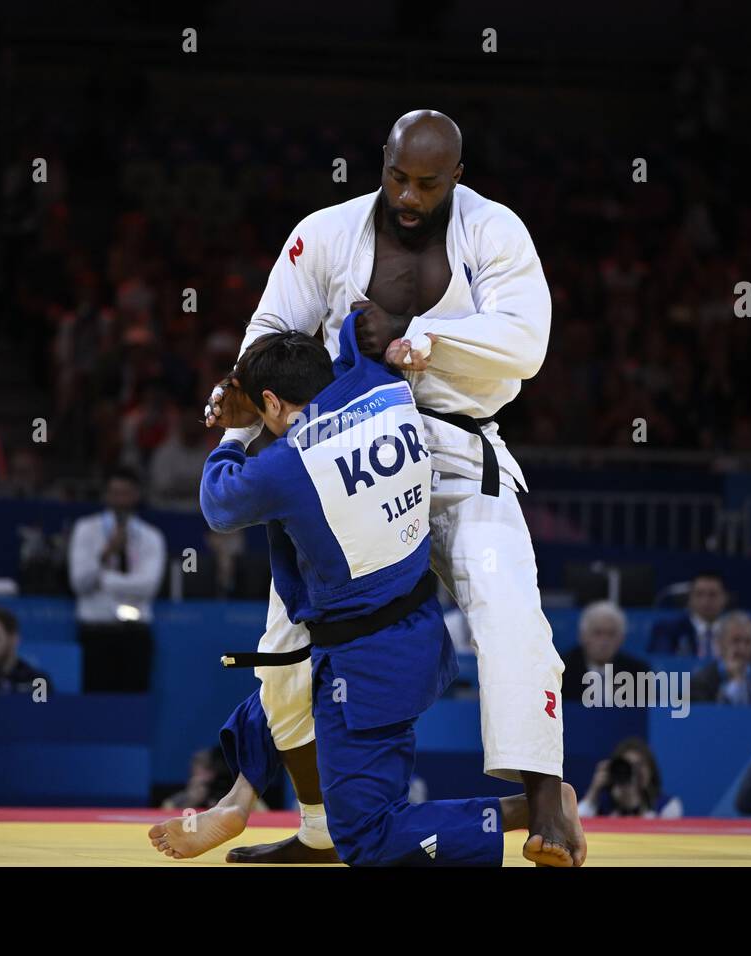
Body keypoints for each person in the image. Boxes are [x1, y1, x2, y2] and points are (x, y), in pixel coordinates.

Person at [202, 109, 575, 861]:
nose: (409, 195)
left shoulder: (495, 233)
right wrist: (239, 416)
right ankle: (318, 829)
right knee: (282, 652)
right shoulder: (326, 234)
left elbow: (526, 344)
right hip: (352, 453)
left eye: (428, 184)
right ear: (382, 162)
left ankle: (547, 802)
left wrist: (422, 340)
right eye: (398, 177)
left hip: (460, 447)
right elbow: (272, 328)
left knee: (507, 606)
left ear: (457, 177)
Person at [153, 314, 584, 866]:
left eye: (263, 412)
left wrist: (237, 430)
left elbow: (217, 502)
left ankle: (526, 809)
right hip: (408, 626)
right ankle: (239, 800)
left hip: (367, 667)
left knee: (368, 837)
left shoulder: (288, 466)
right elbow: (359, 328)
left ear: (272, 402)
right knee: (279, 683)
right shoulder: (383, 387)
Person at [68, 467, 166, 691]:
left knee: (134, 707)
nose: (120, 499)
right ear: (106, 495)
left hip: (136, 635)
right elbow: (79, 582)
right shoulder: (86, 530)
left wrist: (104, 580)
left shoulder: (151, 536)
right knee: (95, 706)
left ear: (136, 495)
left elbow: (149, 586)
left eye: (126, 493)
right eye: (115, 493)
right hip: (95, 632)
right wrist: (106, 554)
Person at [691, 610, 751, 705]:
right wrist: (735, 680)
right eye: (736, 640)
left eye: (748, 642)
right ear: (720, 643)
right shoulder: (700, 682)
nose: (742, 648)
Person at [560, 600, 650, 702]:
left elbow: (649, 713)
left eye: (611, 634)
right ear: (583, 636)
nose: (604, 641)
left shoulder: (637, 672)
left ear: (621, 639)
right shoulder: (562, 671)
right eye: (597, 633)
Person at [577, 737, 683, 819]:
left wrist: (635, 805)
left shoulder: (667, 806)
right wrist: (593, 792)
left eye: (638, 766)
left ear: (650, 770)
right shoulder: (602, 805)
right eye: (627, 766)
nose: (632, 773)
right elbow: (576, 826)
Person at [647, 571, 728, 658]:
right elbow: (660, 663)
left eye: (712, 595)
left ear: (724, 598)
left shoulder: (734, 632)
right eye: (699, 594)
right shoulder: (667, 630)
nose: (705, 601)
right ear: (690, 598)